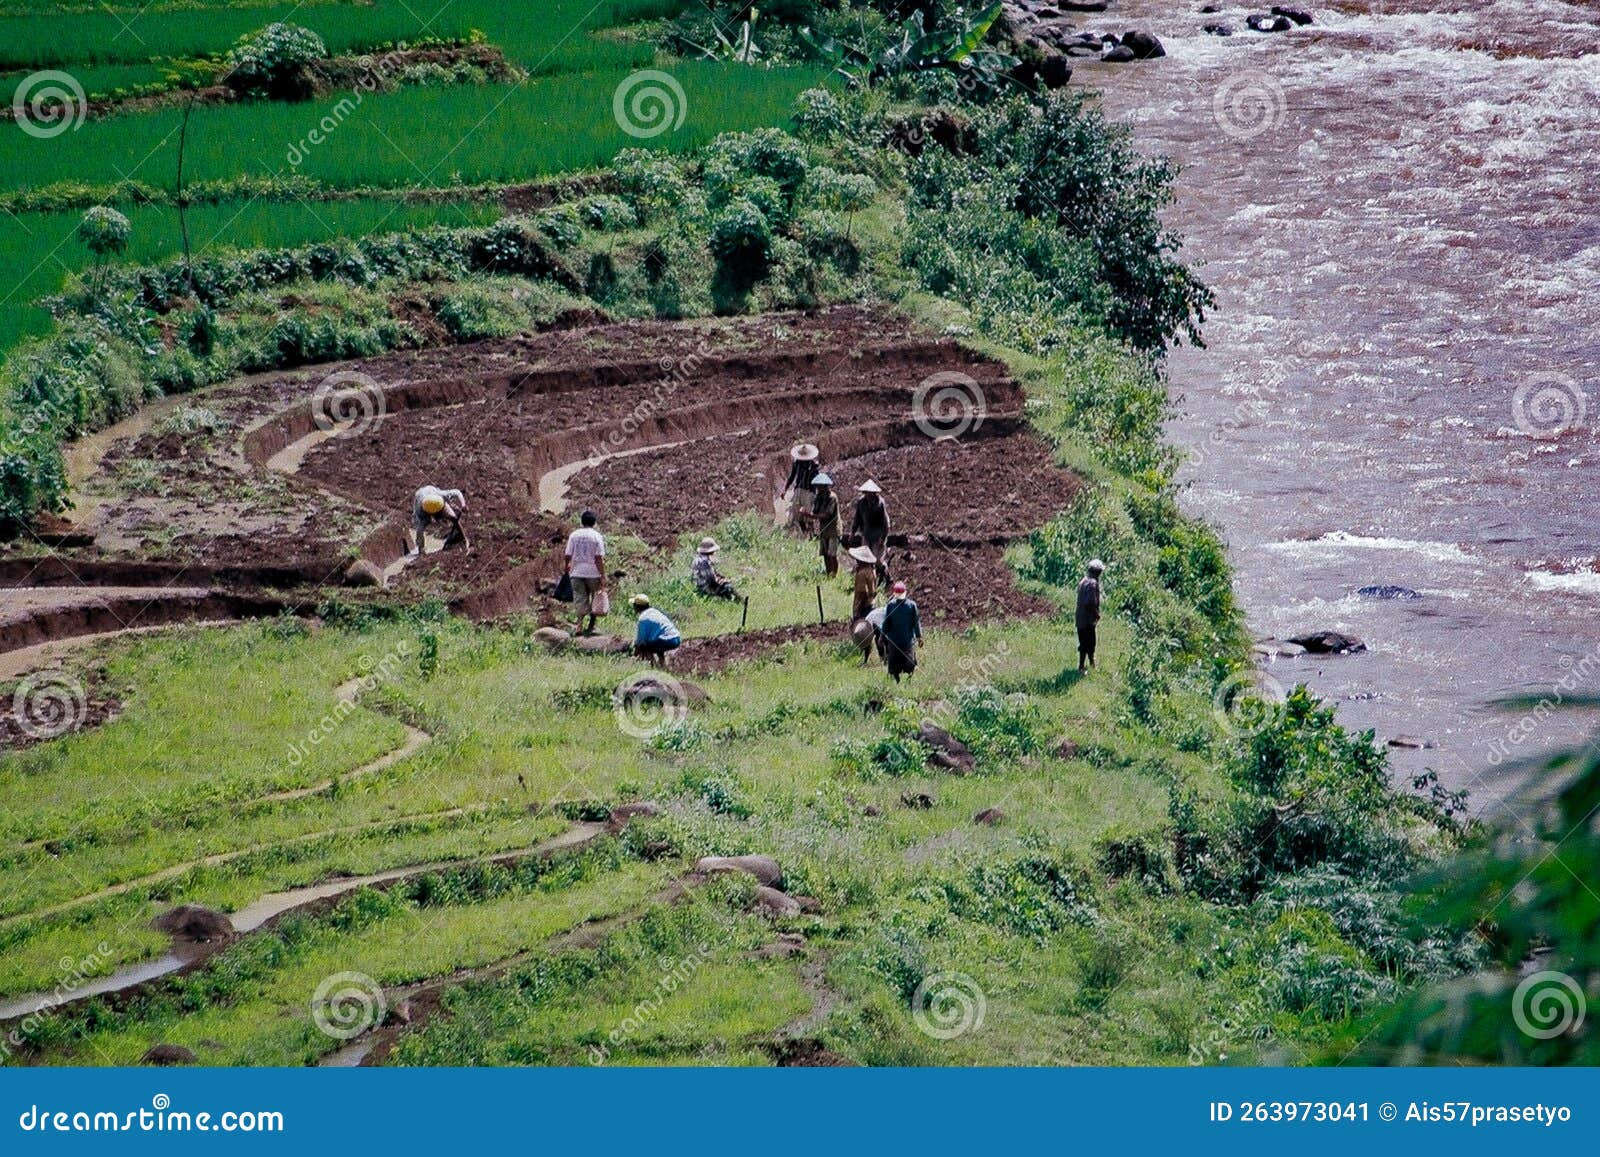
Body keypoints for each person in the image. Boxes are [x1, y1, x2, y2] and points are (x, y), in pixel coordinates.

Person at [563, 510, 607, 636]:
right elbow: (598, 558)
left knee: (579, 598)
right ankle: (592, 626)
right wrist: (603, 575)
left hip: (576, 572)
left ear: (581, 521)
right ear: (594, 523)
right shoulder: (596, 536)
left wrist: (567, 566)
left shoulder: (574, 535)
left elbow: (567, 554)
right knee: (595, 599)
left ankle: (579, 626)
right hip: (593, 573)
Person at [880, 581, 922, 683]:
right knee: (908, 661)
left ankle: (897, 679)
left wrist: (882, 635)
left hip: (894, 641)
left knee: (894, 662)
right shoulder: (912, 605)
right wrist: (919, 637)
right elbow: (916, 622)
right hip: (907, 640)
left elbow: (886, 622)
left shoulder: (891, 605)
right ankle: (907, 680)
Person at [410, 485, 469, 555]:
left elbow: (457, 492)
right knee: (420, 528)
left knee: (454, 518)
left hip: (438, 502)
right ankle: (421, 549)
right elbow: (417, 522)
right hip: (425, 506)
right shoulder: (420, 509)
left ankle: (464, 539)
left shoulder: (441, 495)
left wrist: (463, 505)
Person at [850, 479, 890, 575]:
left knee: (877, 561)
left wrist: (883, 538)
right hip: (866, 534)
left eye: (871, 493)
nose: (869, 495)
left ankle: (887, 577)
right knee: (865, 558)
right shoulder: (861, 503)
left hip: (878, 535)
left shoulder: (880, 504)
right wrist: (852, 532)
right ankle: (870, 579)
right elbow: (857, 519)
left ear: (874, 493)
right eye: (867, 493)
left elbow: (886, 523)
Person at [631, 594, 681, 668]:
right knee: (656, 645)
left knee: (645, 647)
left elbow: (641, 641)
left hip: (668, 640)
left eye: (634, 605)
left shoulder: (643, 618)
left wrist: (635, 652)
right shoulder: (654, 611)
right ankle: (662, 665)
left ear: (637, 606)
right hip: (676, 638)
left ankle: (653, 667)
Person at [784, 443, 822, 530]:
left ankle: (812, 534)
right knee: (796, 513)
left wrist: (817, 495)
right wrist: (785, 489)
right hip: (798, 490)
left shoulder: (813, 467)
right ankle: (804, 532)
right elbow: (792, 477)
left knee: (808, 515)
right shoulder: (796, 463)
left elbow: (817, 483)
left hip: (809, 492)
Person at [1076, 558, 1104, 673]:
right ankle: (1085, 666)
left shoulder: (1083, 581)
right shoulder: (1093, 583)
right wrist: (1097, 614)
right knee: (1090, 643)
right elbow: (1089, 603)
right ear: (1097, 572)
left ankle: (1084, 665)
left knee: (1083, 642)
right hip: (1088, 619)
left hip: (1080, 617)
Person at [811, 473, 840, 577]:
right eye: (818, 487)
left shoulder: (832, 497)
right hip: (824, 529)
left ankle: (834, 575)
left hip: (833, 529)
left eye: (821, 486)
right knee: (825, 554)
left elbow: (827, 515)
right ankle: (828, 574)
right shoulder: (818, 497)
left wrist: (810, 515)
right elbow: (815, 511)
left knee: (832, 554)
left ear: (826, 486)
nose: (819, 489)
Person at [848, 544, 878, 623]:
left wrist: (856, 612)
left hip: (864, 606)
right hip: (871, 603)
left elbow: (861, 592)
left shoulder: (862, 574)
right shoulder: (872, 570)